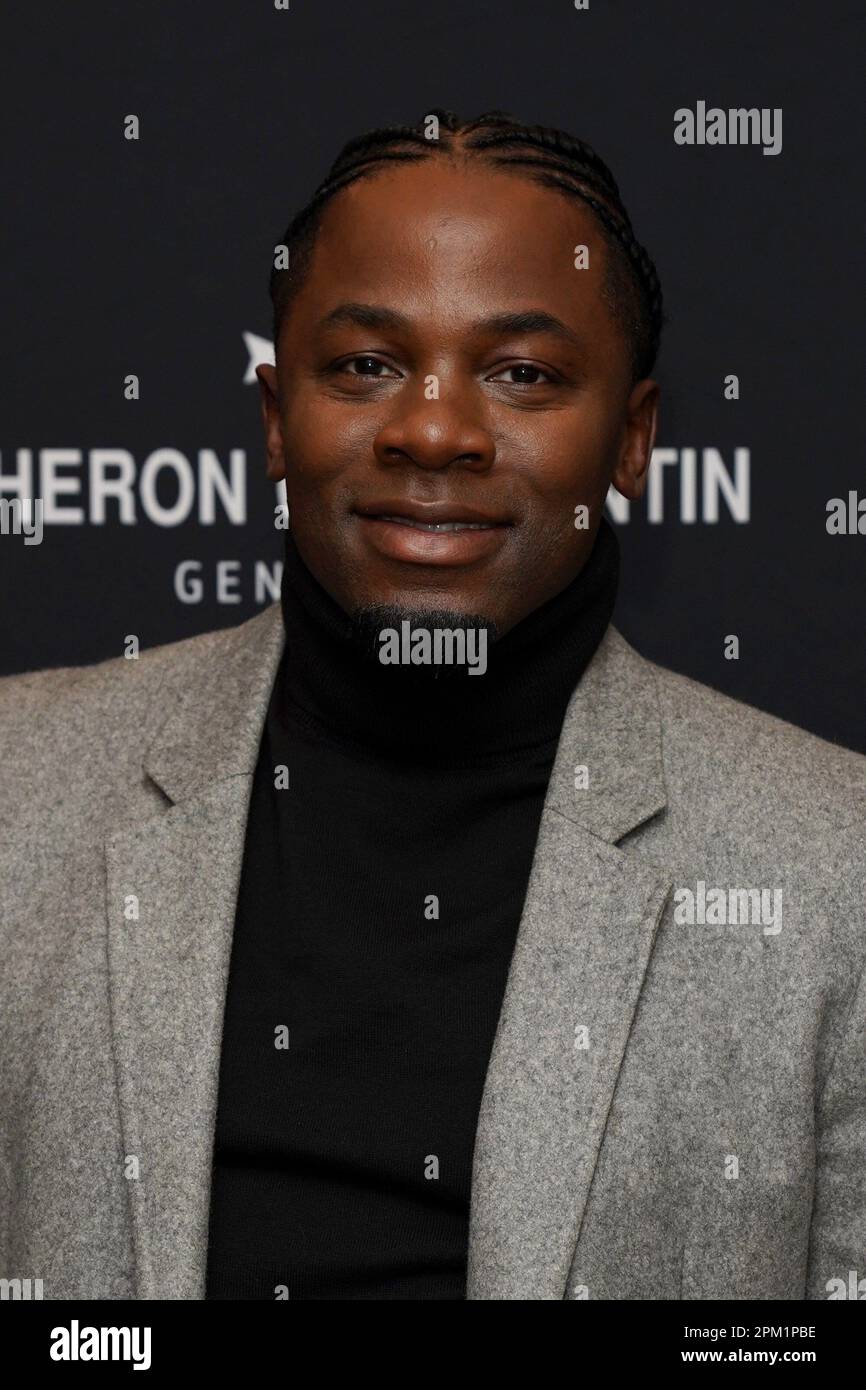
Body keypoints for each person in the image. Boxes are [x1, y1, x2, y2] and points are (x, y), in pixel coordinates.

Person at [1, 109, 863, 1301]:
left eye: (521, 374)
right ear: (270, 419)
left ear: (631, 439)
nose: (433, 430)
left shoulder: (833, 869)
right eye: (364, 365)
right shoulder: (17, 791)